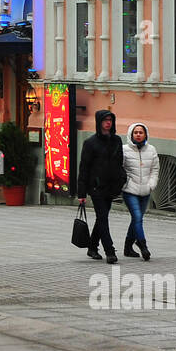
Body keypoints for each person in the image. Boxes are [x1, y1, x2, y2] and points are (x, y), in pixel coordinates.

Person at [75, 109, 125, 264]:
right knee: (103, 218)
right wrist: (81, 193)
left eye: (110, 120)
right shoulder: (90, 143)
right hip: (96, 187)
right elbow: (84, 168)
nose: (108, 123)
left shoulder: (116, 140)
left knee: (101, 218)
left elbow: (119, 163)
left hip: (111, 187)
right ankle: (109, 251)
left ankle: (92, 246)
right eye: (105, 120)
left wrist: (121, 179)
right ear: (99, 122)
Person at [121, 122, 158, 261]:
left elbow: (155, 169)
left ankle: (127, 247)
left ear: (145, 134)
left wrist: (151, 185)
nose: (138, 135)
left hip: (145, 190)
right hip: (130, 190)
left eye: (140, 132)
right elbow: (120, 168)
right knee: (137, 217)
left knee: (137, 219)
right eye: (135, 132)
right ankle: (143, 245)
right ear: (131, 134)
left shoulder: (151, 150)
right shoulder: (124, 150)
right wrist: (125, 183)